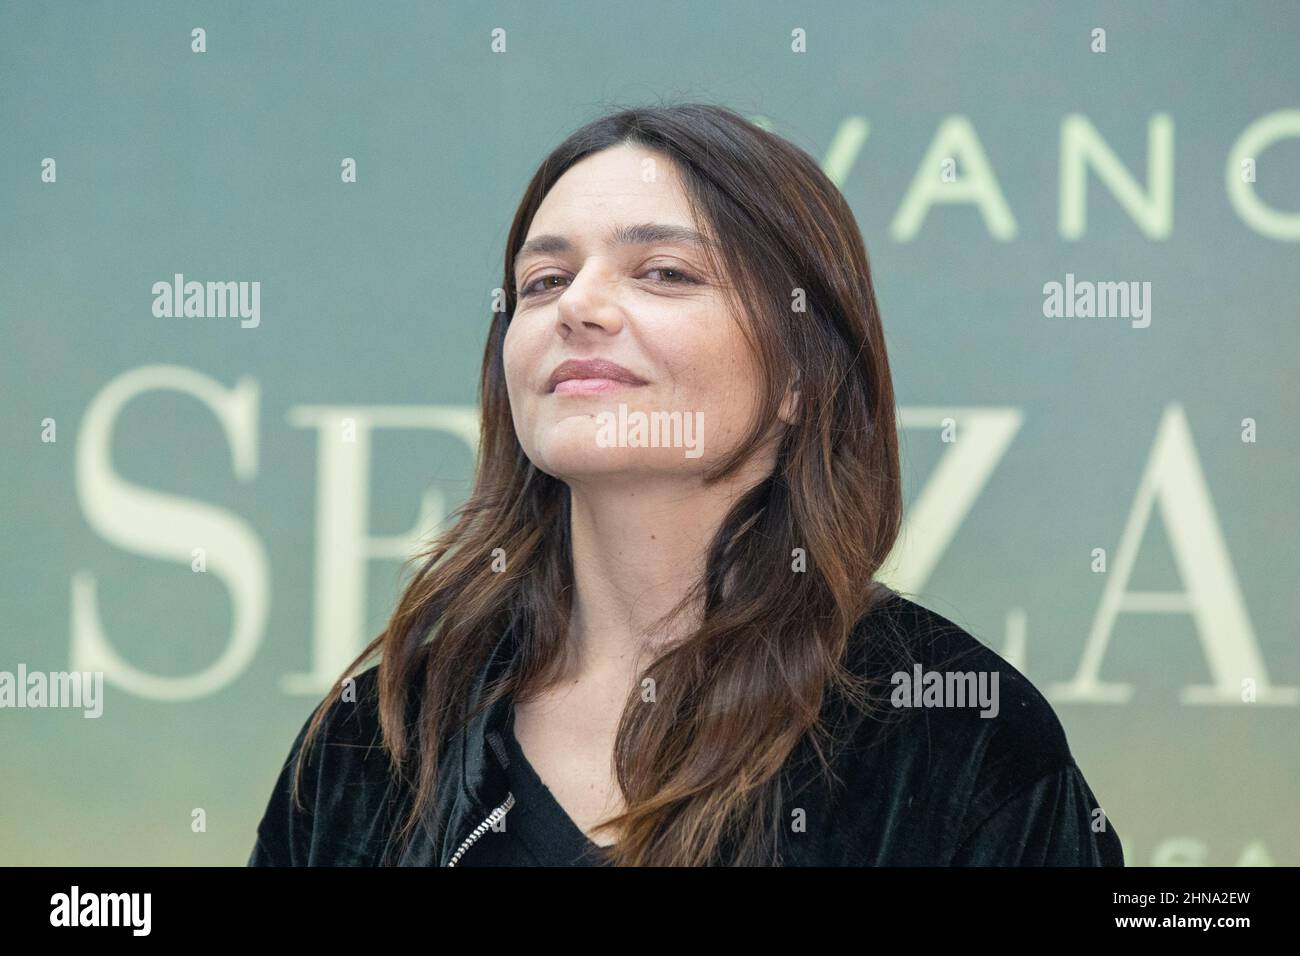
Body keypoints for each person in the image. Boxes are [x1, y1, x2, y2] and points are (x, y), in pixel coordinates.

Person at [248, 102, 1124, 867]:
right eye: (542, 281)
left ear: (799, 377)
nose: (578, 307)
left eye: (665, 272)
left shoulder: (954, 740)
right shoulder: (380, 739)